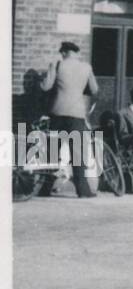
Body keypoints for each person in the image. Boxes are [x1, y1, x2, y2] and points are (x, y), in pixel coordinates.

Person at [39, 40, 99, 197]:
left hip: (57, 113)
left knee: (52, 150)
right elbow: (94, 89)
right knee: (78, 152)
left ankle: (45, 188)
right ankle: (83, 190)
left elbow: (46, 86)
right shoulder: (86, 67)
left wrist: (43, 80)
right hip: (77, 114)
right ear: (76, 53)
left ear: (64, 52)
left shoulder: (58, 65)